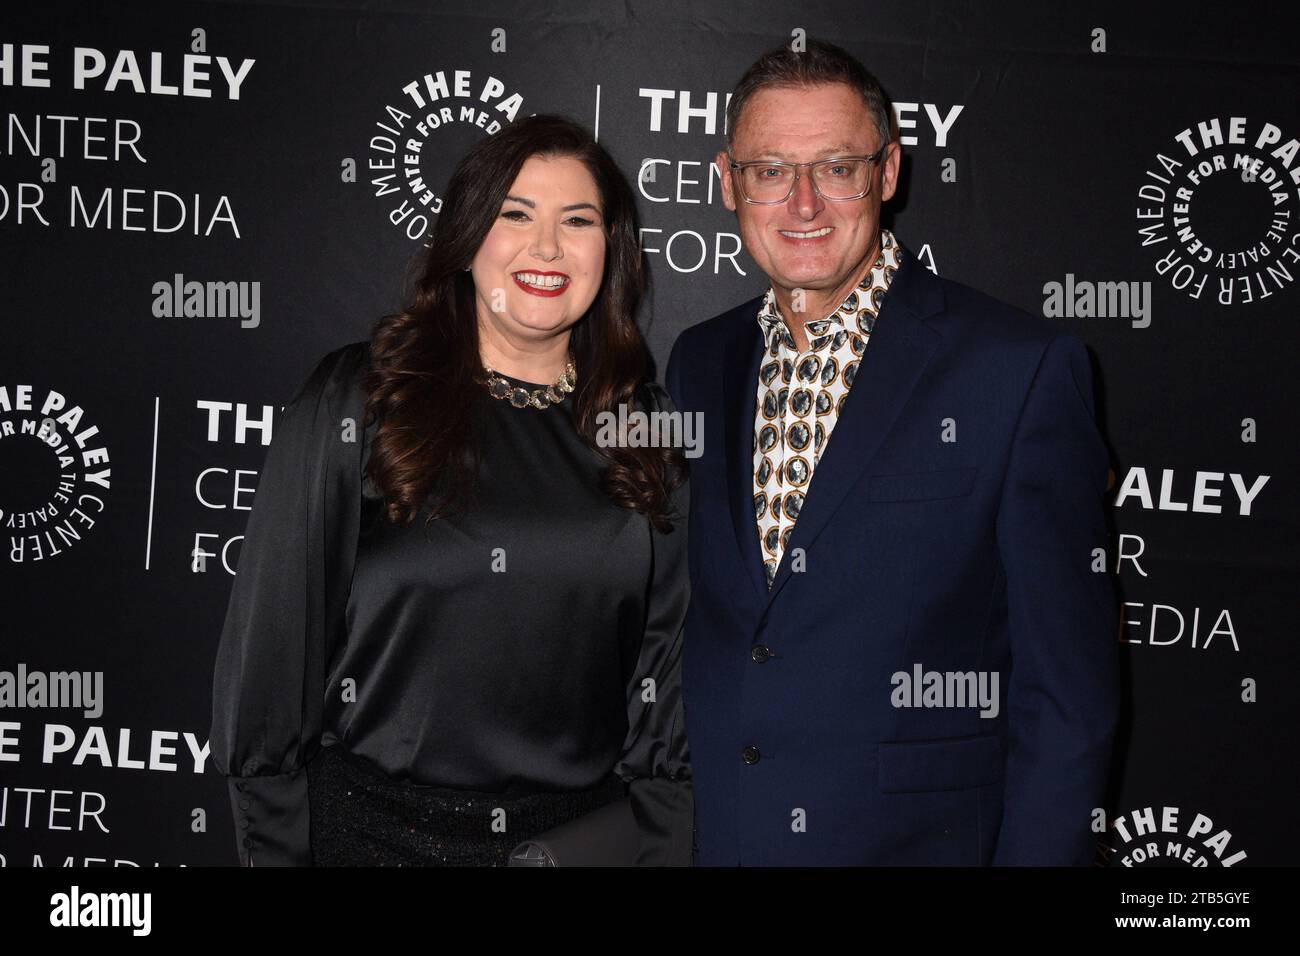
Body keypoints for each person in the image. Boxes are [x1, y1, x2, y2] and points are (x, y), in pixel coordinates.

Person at [665, 39, 1120, 865]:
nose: (803, 204)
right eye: (771, 171)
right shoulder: (700, 360)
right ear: (729, 181)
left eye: (837, 167)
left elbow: (1068, 695)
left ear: (888, 172)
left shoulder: (1017, 369)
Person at [209, 114, 692, 866]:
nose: (547, 248)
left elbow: (669, 682)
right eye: (515, 215)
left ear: (612, 251)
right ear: (467, 238)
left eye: (579, 220)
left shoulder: (648, 428)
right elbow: (273, 662)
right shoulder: (359, 400)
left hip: (569, 849)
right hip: (369, 842)